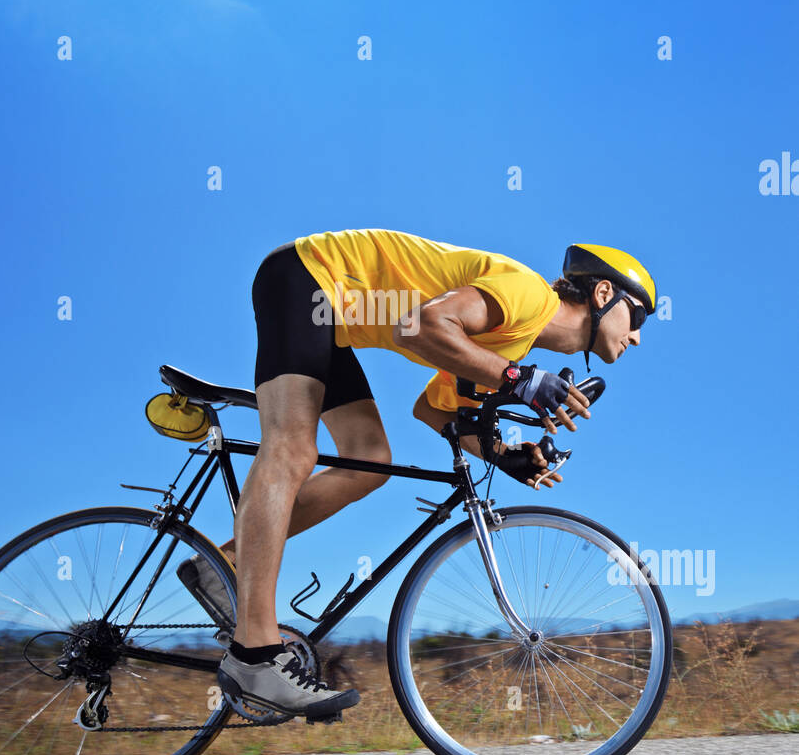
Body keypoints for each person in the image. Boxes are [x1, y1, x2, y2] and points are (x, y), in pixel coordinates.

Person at [177, 229, 656, 721]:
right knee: (293, 448)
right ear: (603, 294)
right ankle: (254, 656)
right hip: (308, 277)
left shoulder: (513, 338)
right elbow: (418, 326)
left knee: (370, 459)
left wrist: (503, 454)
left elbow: (434, 409)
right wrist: (521, 381)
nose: (638, 335)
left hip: (330, 311)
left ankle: (222, 563)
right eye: (637, 316)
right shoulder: (527, 294)